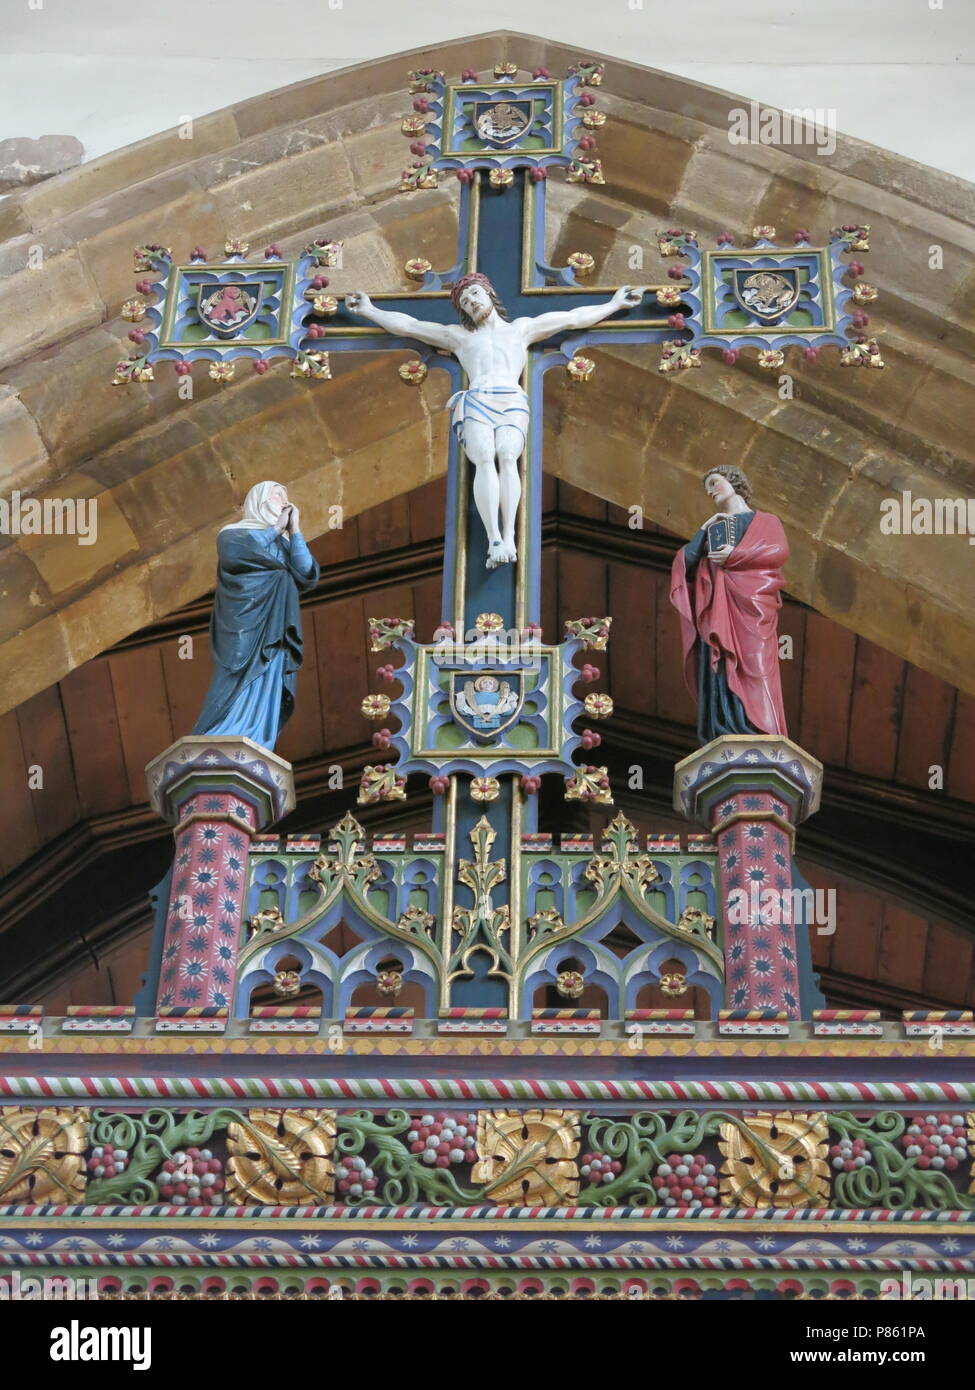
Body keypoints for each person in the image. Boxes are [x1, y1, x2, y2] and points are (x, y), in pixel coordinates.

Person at [346, 273, 643, 569]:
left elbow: (572, 319)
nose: (470, 302)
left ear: (488, 292)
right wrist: (370, 310)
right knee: (485, 458)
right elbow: (410, 326)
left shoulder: (521, 330)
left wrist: (614, 305)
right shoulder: (458, 337)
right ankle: (495, 539)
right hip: (478, 399)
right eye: (464, 301)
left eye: (474, 294)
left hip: (511, 399)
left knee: (508, 455)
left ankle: (510, 535)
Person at [192, 481, 319, 750]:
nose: (285, 502)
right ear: (258, 501)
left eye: (286, 497)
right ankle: (221, 732)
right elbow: (237, 554)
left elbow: (306, 573)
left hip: (277, 623)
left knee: (269, 675)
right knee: (237, 671)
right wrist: (274, 529)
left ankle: (257, 739)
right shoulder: (233, 533)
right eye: (277, 496)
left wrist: (294, 530)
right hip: (244, 620)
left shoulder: (285, 544)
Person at [669, 464, 788, 744]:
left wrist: (736, 555)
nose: (710, 491)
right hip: (719, 608)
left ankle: (761, 730)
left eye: (714, 482)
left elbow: (777, 550)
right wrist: (704, 528)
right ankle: (725, 726)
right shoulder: (715, 528)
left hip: (754, 604)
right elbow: (685, 563)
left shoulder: (766, 521)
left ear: (734, 481)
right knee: (720, 663)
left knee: (756, 664)